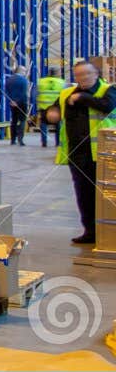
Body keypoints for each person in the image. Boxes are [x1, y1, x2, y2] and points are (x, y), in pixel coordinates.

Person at [56, 58, 116, 245]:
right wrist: (51, 114)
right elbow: (54, 110)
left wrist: (83, 98)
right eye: (79, 74)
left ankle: (109, 232)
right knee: (83, 194)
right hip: (77, 153)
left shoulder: (108, 90)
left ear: (96, 74)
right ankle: (90, 231)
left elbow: (106, 106)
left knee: (106, 194)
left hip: (103, 154)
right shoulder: (67, 93)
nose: (83, 77)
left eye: (87, 73)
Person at [38, 71, 67, 148]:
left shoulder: (41, 81)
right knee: (58, 125)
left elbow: (36, 93)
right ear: (57, 74)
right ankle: (58, 142)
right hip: (57, 107)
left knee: (43, 124)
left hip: (44, 106)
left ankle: (44, 142)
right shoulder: (62, 82)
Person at [4, 68, 30, 146]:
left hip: (12, 103)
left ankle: (12, 140)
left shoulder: (9, 80)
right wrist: (18, 101)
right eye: (25, 71)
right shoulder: (24, 80)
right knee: (22, 120)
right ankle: (20, 139)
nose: (25, 73)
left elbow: (6, 91)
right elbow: (24, 92)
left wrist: (12, 101)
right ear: (21, 71)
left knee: (14, 121)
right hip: (22, 103)